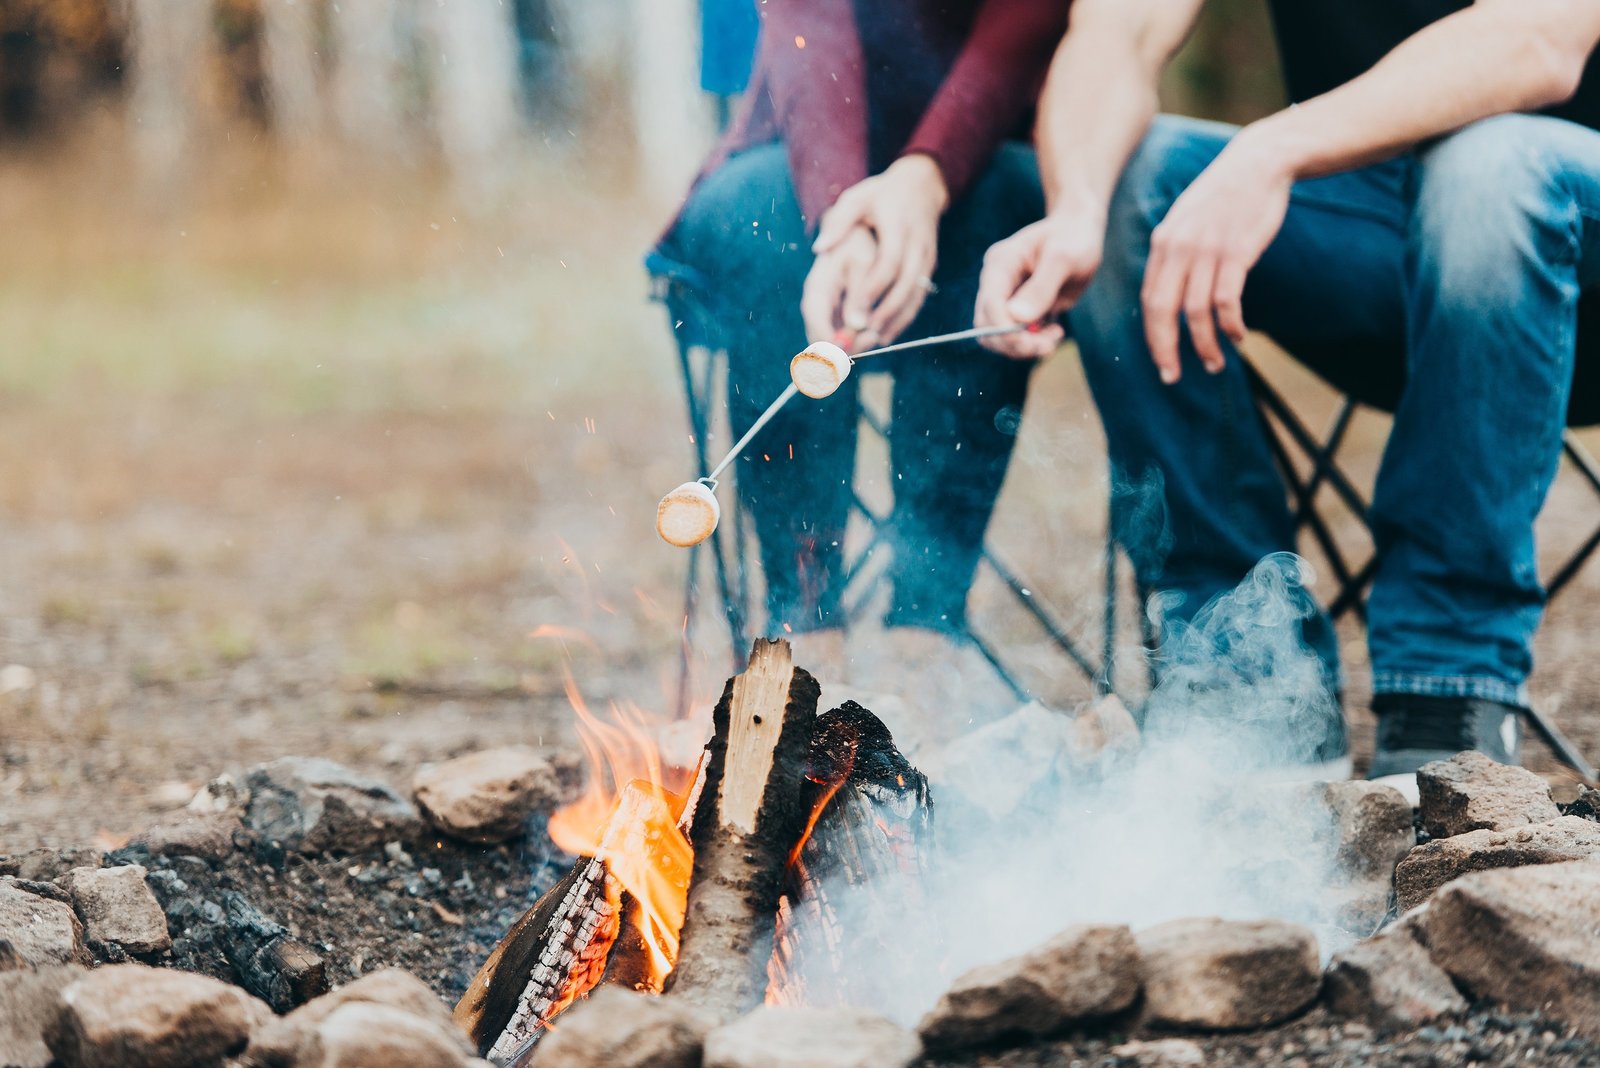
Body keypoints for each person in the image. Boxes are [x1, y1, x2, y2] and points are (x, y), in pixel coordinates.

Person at [975, 0, 1600, 782]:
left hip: (1568, 231)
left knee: (1492, 164)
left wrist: (1272, 149)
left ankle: (1449, 692)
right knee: (1134, 178)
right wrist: (1078, 209)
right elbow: (1117, 31)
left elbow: (1540, 39)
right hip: (1380, 238)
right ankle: (1245, 674)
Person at [656, 1, 1068, 694]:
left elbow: (1026, 25)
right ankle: (803, 627)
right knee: (766, 215)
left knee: (998, 207)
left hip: (985, 158)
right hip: (788, 160)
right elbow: (810, 23)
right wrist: (842, 215)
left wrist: (923, 179)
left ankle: (927, 633)